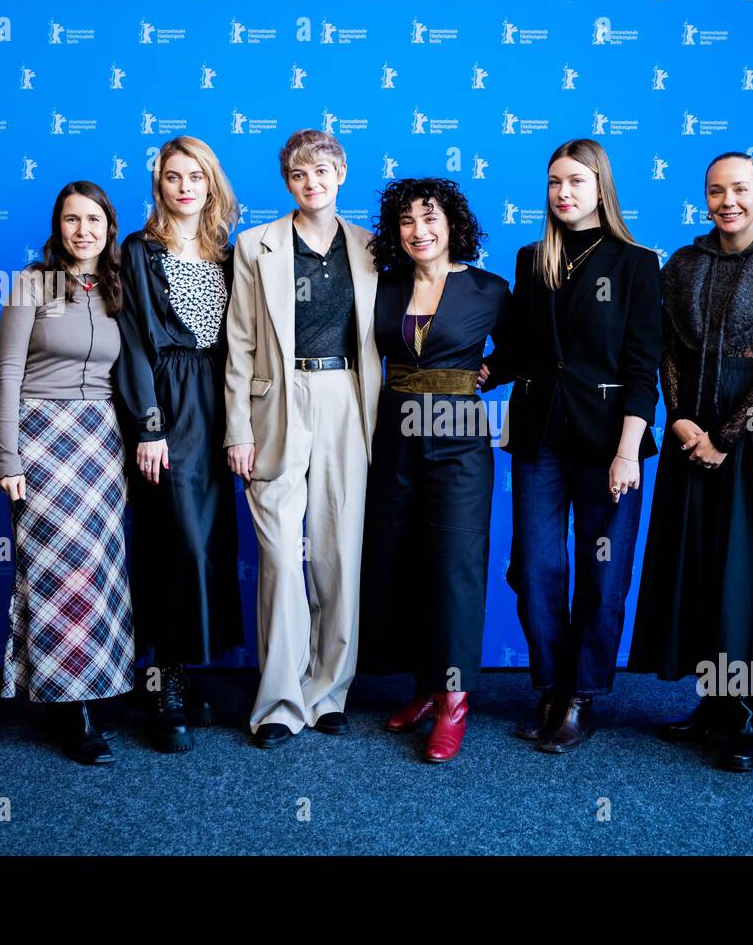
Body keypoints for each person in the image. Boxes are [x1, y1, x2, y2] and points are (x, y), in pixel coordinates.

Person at [629, 151, 753, 772]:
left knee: (747, 564)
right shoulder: (682, 264)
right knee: (701, 558)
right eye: (715, 190)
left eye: (740, 189)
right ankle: (711, 699)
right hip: (691, 430)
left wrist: (725, 436)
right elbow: (671, 350)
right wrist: (679, 419)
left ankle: (745, 710)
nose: (727, 200)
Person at [481, 138, 661, 754]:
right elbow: (522, 349)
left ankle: (581, 696)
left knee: (602, 568)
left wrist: (628, 449)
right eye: (555, 181)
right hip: (540, 434)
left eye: (576, 181)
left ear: (601, 188)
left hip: (610, 438)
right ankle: (552, 686)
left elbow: (644, 367)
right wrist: (479, 372)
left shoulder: (636, 262)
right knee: (535, 567)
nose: (563, 192)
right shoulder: (533, 259)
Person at [224, 129, 381, 749]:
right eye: (297, 175)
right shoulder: (254, 246)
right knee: (281, 558)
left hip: (346, 398)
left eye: (321, 171)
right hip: (277, 404)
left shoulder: (372, 247)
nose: (310, 183)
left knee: (338, 553)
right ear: (286, 182)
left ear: (341, 172)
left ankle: (328, 691)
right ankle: (281, 701)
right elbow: (238, 344)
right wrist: (238, 428)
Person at [358, 178, 512, 763]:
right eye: (406, 221)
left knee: (455, 567)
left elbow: (522, 351)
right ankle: (423, 687)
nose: (419, 231)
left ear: (452, 227)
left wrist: (487, 374)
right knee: (403, 562)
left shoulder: (488, 289)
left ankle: (454, 701)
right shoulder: (385, 286)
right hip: (394, 437)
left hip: (458, 443)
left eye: (431, 219)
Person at [0, 181, 133, 764]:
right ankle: (69, 708)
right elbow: (6, 374)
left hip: (102, 441)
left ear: (109, 226)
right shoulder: (32, 283)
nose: (84, 231)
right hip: (42, 436)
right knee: (57, 575)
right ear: (58, 228)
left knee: (99, 572)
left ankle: (98, 688)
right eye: (72, 220)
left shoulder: (120, 287)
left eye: (94, 220)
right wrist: (8, 457)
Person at [115, 136, 242, 754]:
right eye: (172, 176)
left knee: (211, 545)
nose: (185, 186)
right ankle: (162, 683)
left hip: (220, 403)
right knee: (174, 543)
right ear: (159, 185)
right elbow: (134, 340)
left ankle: (185, 676)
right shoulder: (139, 250)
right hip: (166, 400)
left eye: (196, 175)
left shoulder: (230, 252)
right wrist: (148, 424)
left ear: (211, 184)